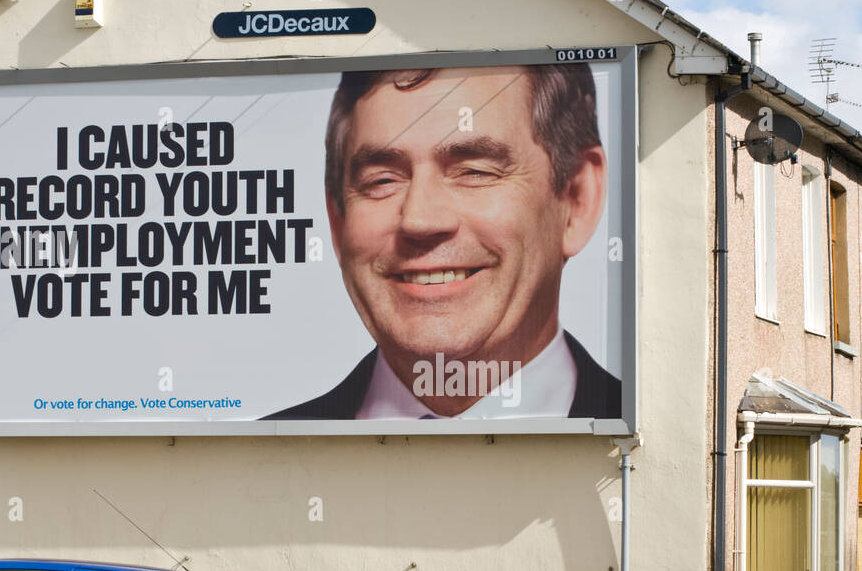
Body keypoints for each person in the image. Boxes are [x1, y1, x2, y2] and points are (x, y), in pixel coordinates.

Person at [265, 62, 620, 420]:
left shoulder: (658, 436)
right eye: (381, 180)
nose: (420, 220)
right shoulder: (251, 464)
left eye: (475, 172)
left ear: (577, 199)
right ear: (337, 222)